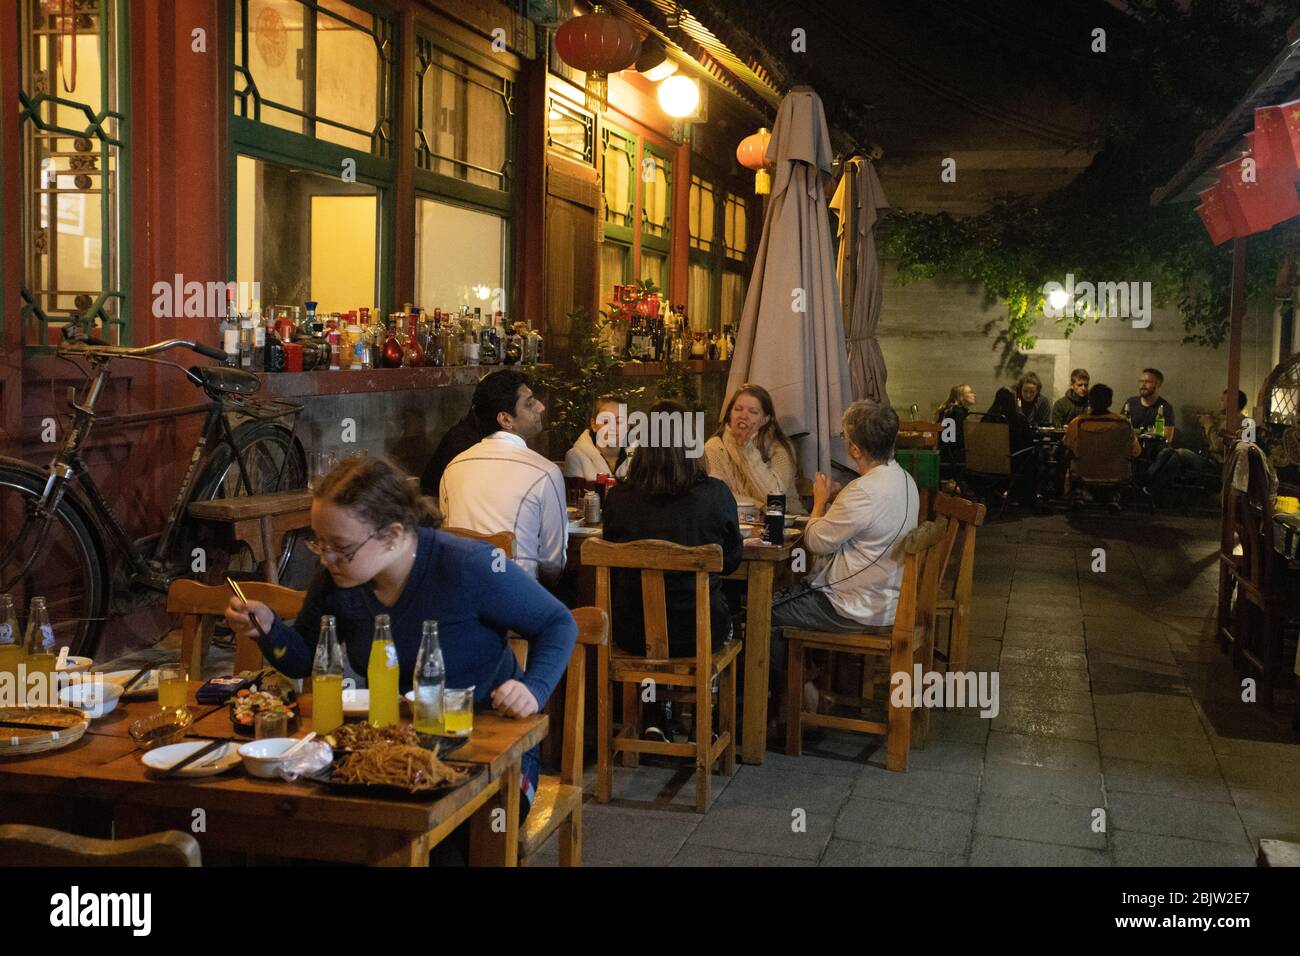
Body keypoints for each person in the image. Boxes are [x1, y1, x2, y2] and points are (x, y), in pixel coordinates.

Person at [224, 455, 577, 837]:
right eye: (319, 544)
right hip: (394, 747)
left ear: (392, 535)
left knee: (448, 844)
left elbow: (558, 622)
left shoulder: (466, 566)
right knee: (305, 828)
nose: (327, 559)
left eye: (340, 547)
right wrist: (268, 629)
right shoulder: (337, 579)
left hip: (488, 750)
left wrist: (533, 688)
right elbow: (302, 659)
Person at [771, 400, 919, 686]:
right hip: (887, 600)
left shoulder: (863, 490)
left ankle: (791, 702)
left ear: (854, 449)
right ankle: (810, 687)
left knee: (762, 615)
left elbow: (815, 541)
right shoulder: (904, 479)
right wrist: (839, 503)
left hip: (853, 607)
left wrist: (820, 501)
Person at [439, 370, 567, 584]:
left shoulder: (453, 467)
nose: (541, 407)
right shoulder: (545, 472)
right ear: (505, 419)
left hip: (459, 595)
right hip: (515, 599)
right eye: (529, 403)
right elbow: (552, 565)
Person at [703, 384, 805, 514]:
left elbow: (774, 499)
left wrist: (747, 450)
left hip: (787, 523)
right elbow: (717, 494)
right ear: (729, 414)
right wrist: (760, 506)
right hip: (736, 524)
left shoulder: (780, 448)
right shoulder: (715, 447)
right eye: (738, 409)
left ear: (765, 419)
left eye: (753, 412)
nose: (743, 416)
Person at [1062, 383, 1140, 509]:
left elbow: (1068, 445)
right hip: (1116, 474)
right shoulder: (1123, 424)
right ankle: (1114, 496)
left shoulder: (1078, 423)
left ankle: (1077, 493)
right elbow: (1135, 452)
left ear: (1090, 401)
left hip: (1084, 472)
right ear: (1110, 401)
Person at [564, 393, 631, 481]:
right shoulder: (576, 456)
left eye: (619, 422)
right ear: (594, 425)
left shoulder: (639, 457)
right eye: (606, 421)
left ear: (627, 426)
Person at [1121, 368, 1176, 442]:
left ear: (1158, 384)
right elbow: (1120, 428)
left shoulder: (1165, 407)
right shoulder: (1130, 403)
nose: (1143, 385)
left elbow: (1167, 439)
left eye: (1147, 381)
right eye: (1141, 381)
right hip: (1132, 448)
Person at [935, 384, 976, 463]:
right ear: (961, 396)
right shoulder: (959, 413)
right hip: (955, 457)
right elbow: (960, 439)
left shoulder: (947, 410)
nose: (974, 395)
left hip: (944, 453)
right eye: (970, 392)